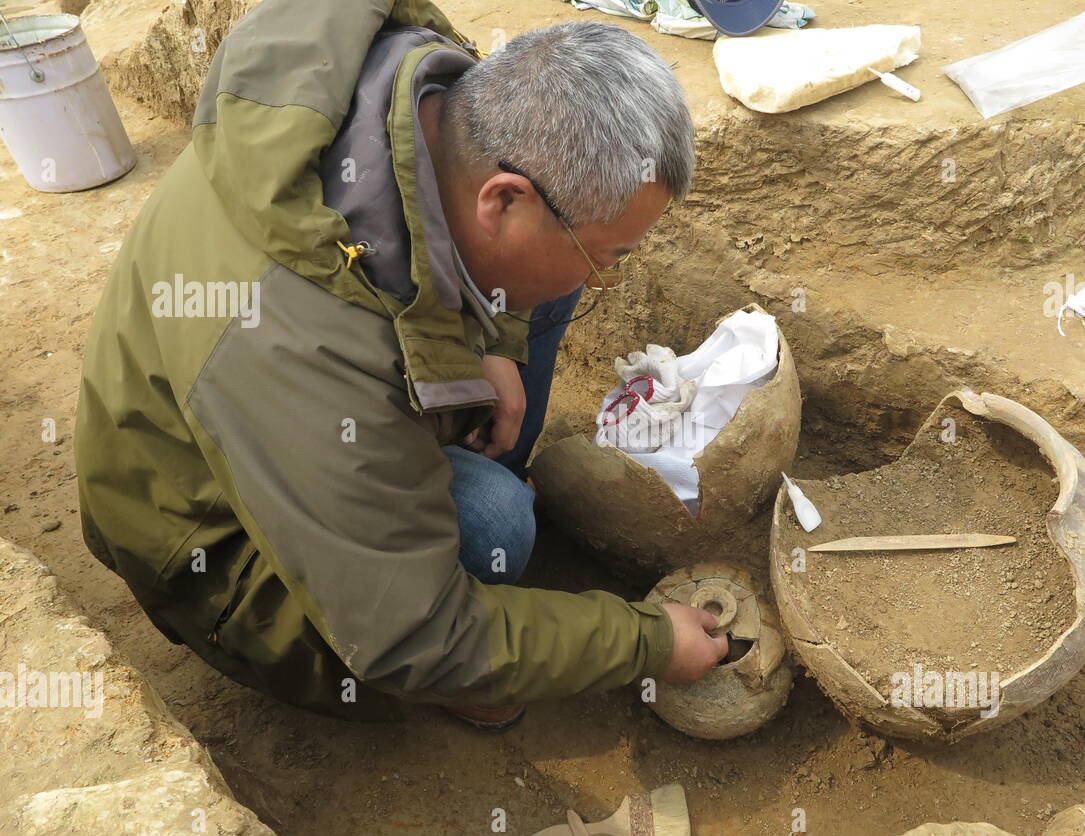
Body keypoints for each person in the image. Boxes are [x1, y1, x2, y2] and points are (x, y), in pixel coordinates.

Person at [74, 0, 724, 728]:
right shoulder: (308, 351)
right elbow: (410, 637)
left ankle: (473, 495)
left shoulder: (425, 89)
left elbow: (450, 244)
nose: (604, 279)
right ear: (503, 200)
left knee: (542, 294)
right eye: (605, 257)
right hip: (214, 553)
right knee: (496, 525)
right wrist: (648, 642)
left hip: (298, 427)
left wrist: (499, 341)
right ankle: (474, 622)